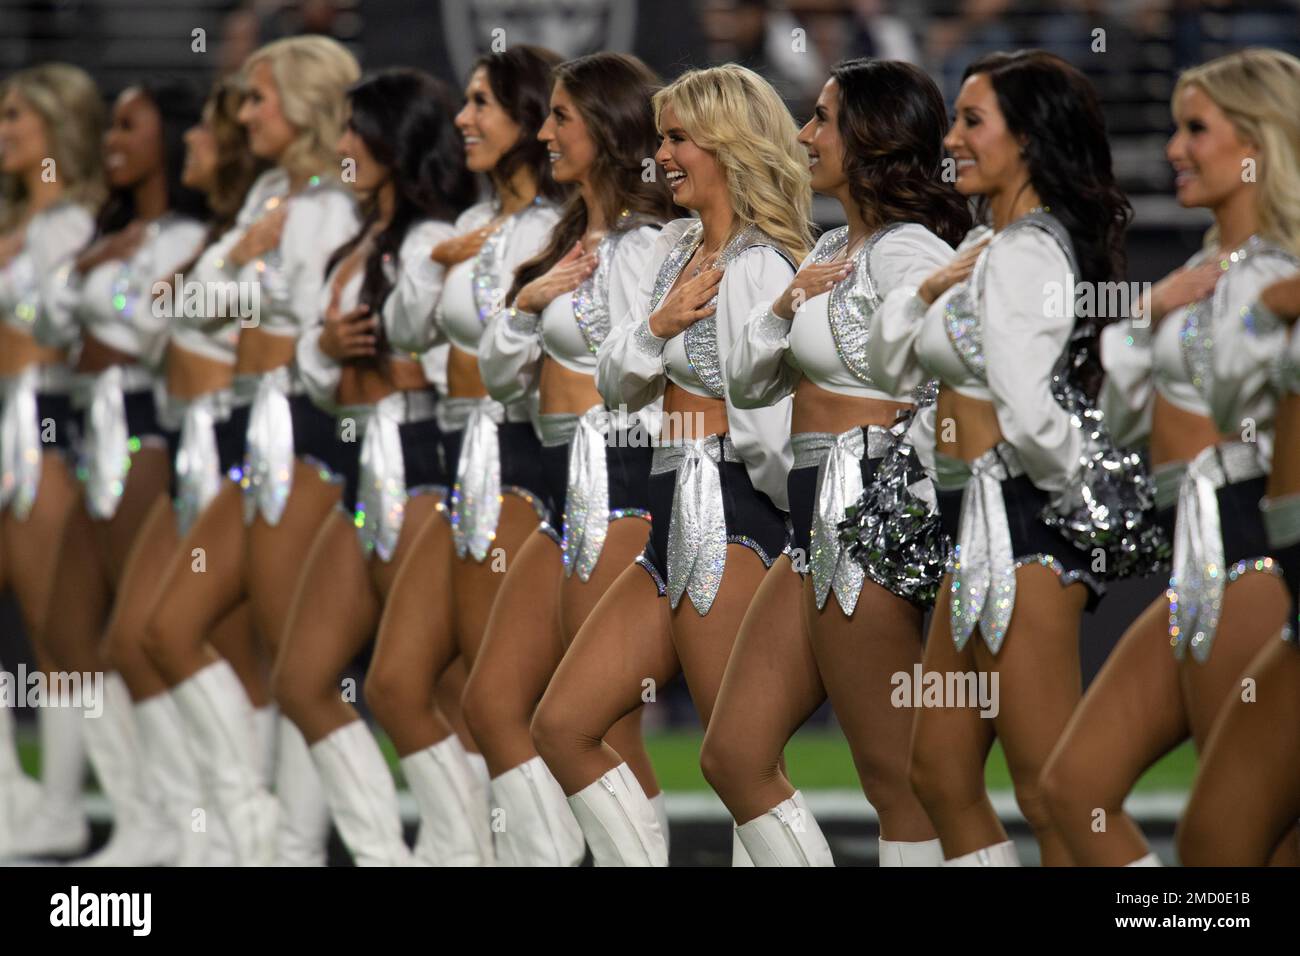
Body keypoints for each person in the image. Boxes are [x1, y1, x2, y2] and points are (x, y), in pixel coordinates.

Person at [532, 63, 812, 866]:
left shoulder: (761, 264)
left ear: (727, 146)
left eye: (678, 138)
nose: (660, 156)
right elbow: (619, 383)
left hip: (731, 516)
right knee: (564, 723)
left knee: (741, 765)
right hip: (671, 508)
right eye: (658, 138)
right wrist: (656, 325)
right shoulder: (674, 246)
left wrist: (766, 529)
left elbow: (768, 434)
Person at [701, 58, 968, 866]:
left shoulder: (905, 247)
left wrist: (899, 483)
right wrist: (785, 303)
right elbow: (744, 376)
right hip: (814, 516)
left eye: (821, 118)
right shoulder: (827, 246)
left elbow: (951, 363)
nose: (804, 134)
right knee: (735, 754)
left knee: (895, 776)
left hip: (866, 513)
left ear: (873, 137)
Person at [869, 50, 1131, 865]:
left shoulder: (1026, 251)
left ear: (1027, 140)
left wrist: (1070, 500)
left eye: (971, 121)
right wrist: (927, 286)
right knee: (941, 773)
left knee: (1053, 792)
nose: (951, 138)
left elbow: (1027, 404)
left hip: (1018, 528)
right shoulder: (990, 245)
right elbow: (890, 364)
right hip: (976, 535)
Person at [1044, 48, 1300, 866]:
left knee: (1245, 842)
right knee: (1070, 789)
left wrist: (1232, 311)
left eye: (1197, 130)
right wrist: (1152, 313)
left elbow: (1233, 388)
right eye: (1175, 129)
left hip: (1250, 559)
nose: (1176, 150)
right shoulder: (1196, 275)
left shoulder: (1281, 276)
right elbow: (1119, 417)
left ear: (1261, 142)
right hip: (1194, 566)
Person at [143, 35, 362, 866]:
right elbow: (193, 310)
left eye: (259, 98)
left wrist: (240, 274)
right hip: (251, 429)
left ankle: (295, 848)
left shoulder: (333, 206)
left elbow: (318, 327)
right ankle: (255, 830)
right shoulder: (273, 193)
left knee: (291, 658)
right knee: (177, 630)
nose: (243, 114)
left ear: (305, 105)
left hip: (303, 432)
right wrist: (242, 253)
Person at [463, 51, 675, 865]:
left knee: (608, 725)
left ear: (611, 129)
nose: (544, 133)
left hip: (621, 483)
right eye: (545, 114)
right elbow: (499, 373)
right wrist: (523, 305)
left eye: (562, 118)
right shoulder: (568, 236)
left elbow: (650, 377)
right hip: (561, 490)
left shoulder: (649, 244)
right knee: (494, 702)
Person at [358, 44, 565, 866]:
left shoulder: (559, 226)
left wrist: (467, 261)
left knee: (497, 697)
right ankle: (461, 853)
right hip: (458, 460)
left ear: (528, 119)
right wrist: (439, 260)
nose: (462, 119)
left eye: (483, 103)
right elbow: (404, 329)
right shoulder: (470, 228)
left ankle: (536, 855)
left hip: (521, 458)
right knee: (399, 685)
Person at [273, 67, 476, 866]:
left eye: (358, 130)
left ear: (399, 139)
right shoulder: (359, 238)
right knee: (303, 677)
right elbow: (318, 376)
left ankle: (463, 852)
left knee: (421, 686)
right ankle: (385, 855)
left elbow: (452, 360)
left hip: (423, 463)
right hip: (363, 462)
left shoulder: (432, 240)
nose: (343, 145)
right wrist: (321, 349)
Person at [36, 79, 209, 866]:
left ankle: (183, 819)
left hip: (145, 429)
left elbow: (153, 330)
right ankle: (137, 816)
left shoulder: (185, 237)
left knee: (140, 635)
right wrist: (100, 263)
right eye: (108, 123)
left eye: (128, 125)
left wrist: (111, 273)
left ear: (164, 140)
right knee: (71, 635)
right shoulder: (113, 232)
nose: (112, 137)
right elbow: (47, 320)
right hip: (87, 427)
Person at [0, 63, 103, 861]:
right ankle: (12, 800)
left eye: (15, 119)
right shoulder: (13, 218)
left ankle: (64, 804)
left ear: (54, 128)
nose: (3, 132)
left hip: (41, 423)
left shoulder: (76, 224)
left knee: (55, 628)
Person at [1179, 269, 1300, 865]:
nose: (1179, 165)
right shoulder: (1222, 275)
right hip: (1248, 550)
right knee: (1224, 838)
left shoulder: (1271, 265)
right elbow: (1224, 394)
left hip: (1254, 550)